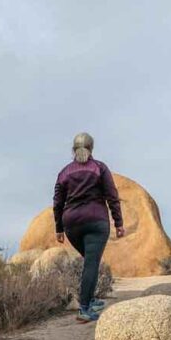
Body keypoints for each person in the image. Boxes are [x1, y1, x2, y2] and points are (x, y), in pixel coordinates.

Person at [53, 132, 125, 323]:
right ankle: (84, 309)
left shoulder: (64, 172)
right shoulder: (99, 168)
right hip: (96, 221)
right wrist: (118, 223)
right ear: (91, 148)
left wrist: (58, 228)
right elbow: (112, 196)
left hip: (72, 225)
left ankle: (90, 299)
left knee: (89, 262)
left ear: (73, 149)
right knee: (91, 264)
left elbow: (57, 203)